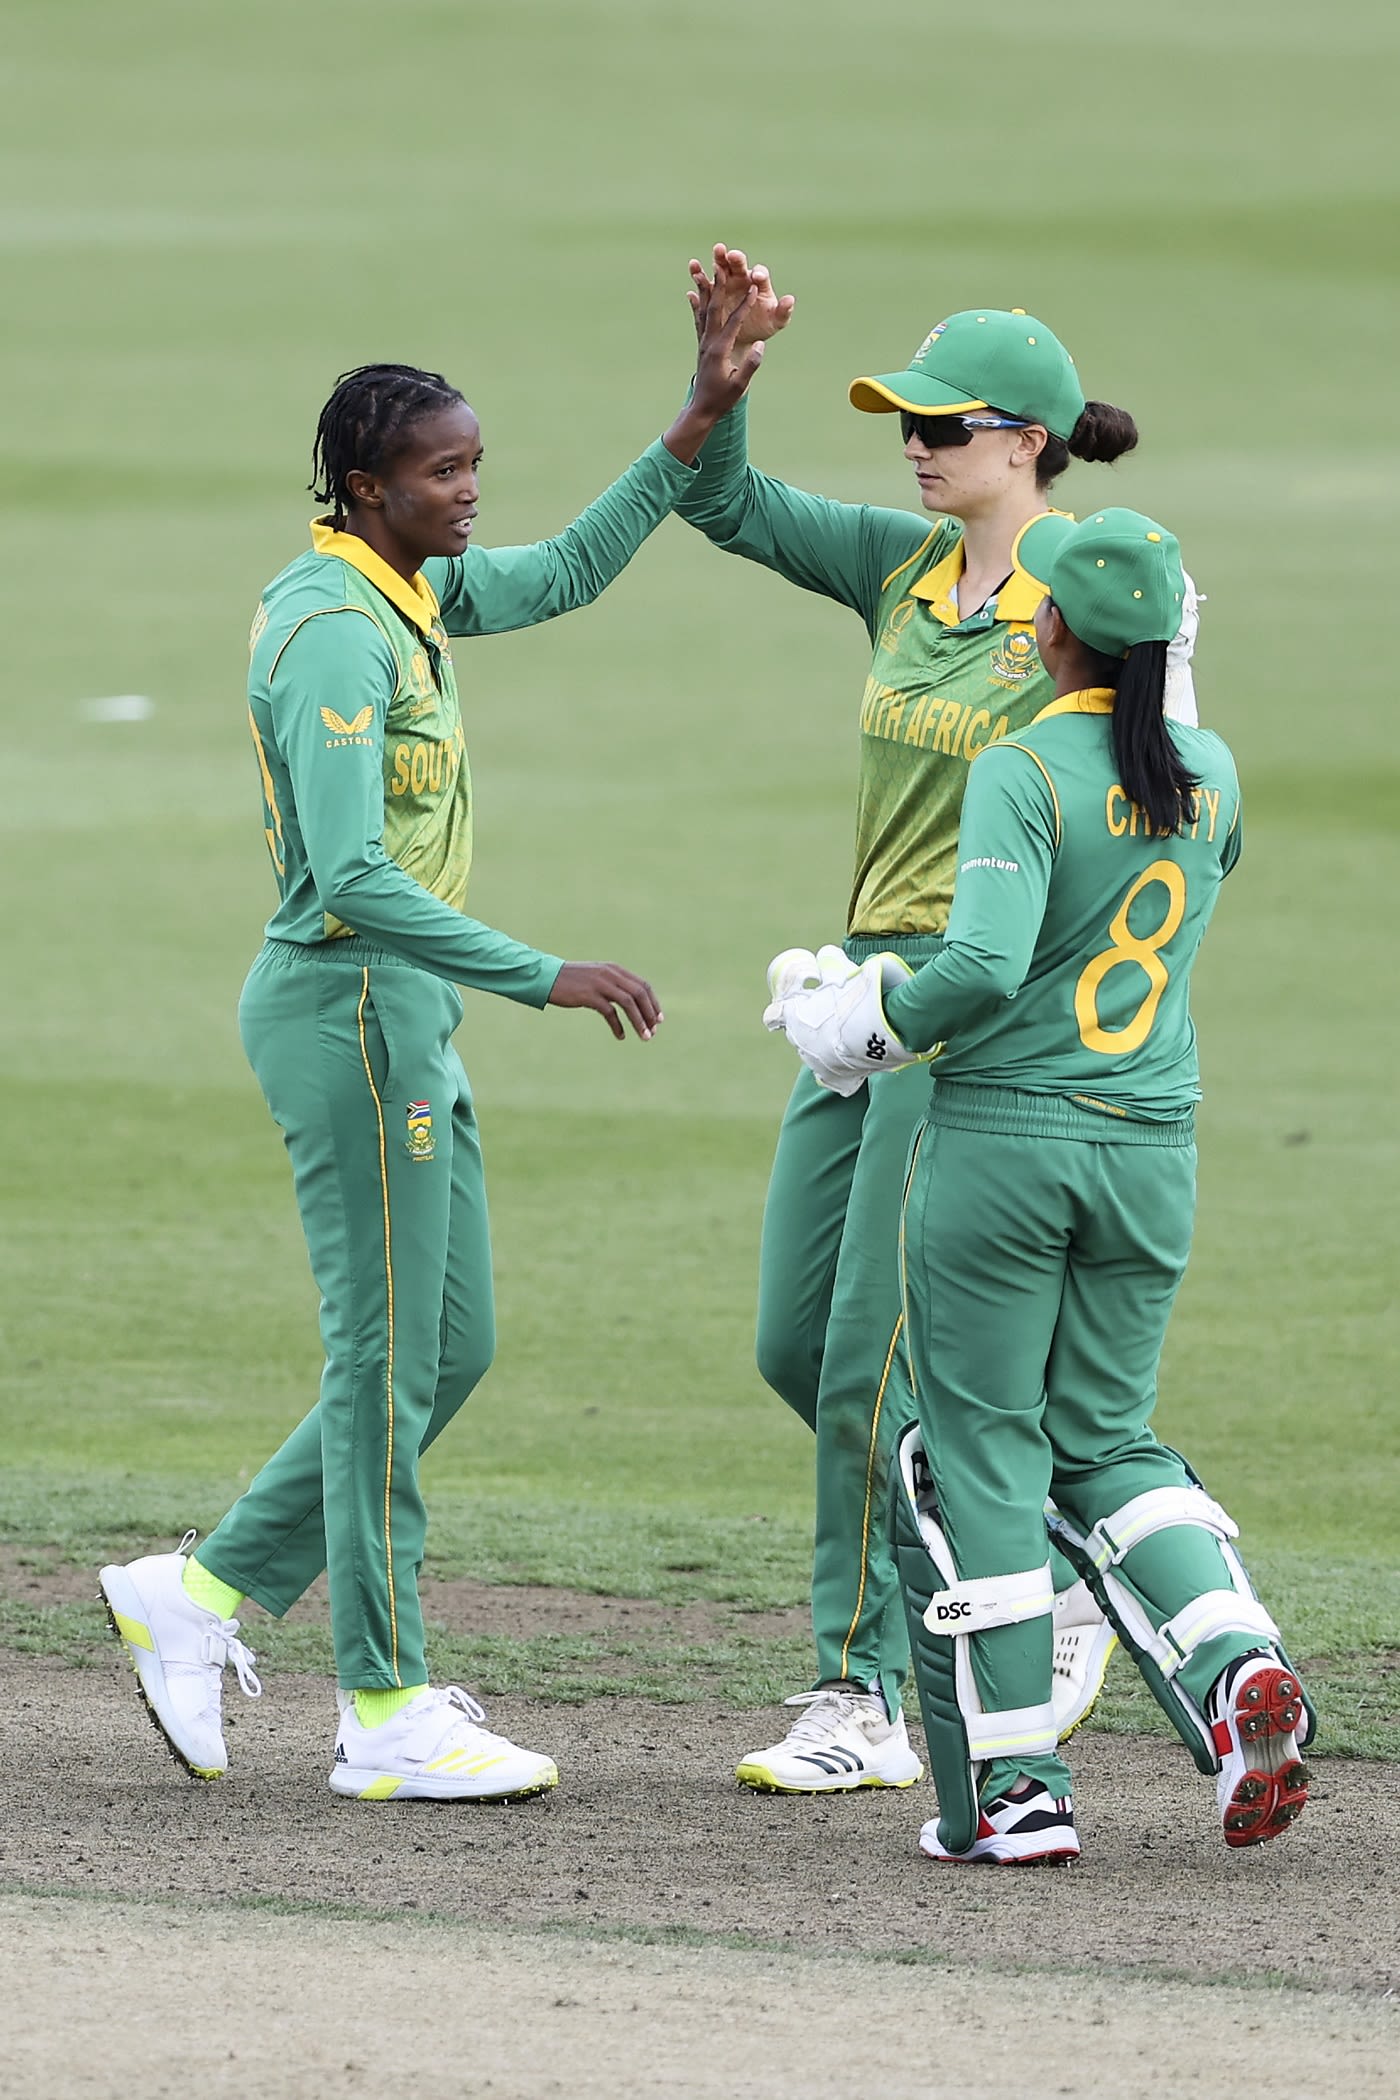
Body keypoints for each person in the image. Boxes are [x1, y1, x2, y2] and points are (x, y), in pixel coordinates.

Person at [99, 291, 767, 1803]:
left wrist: (702, 411)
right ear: (363, 487)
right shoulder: (339, 633)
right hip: (350, 1004)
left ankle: (196, 1598)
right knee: (388, 1358)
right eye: (443, 472)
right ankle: (385, 1710)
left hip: (399, 1011)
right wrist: (547, 973)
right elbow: (349, 880)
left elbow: (573, 569)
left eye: (475, 462)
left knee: (443, 1346)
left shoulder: (407, 590)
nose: (470, 489)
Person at [678, 250, 1196, 1793]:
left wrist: (986, 1004)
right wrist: (722, 389)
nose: (918, 443)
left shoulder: (1094, 601)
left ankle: (865, 1698)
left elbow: (1148, 818)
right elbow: (724, 507)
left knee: (866, 1371)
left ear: (1029, 441)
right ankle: (1043, 1528)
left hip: (972, 1018)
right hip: (854, 999)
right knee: (799, 1343)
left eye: (950, 423)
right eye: (907, 418)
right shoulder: (904, 570)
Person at [765, 507, 1313, 1862]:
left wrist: (862, 1014)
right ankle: (1235, 1660)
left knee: (981, 1455)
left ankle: (1013, 1795)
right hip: (1151, 1154)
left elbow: (981, 969)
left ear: (1053, 629)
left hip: (1008, 1149)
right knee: (1109, 1442)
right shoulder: (1216, 772)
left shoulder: (1023, 769)